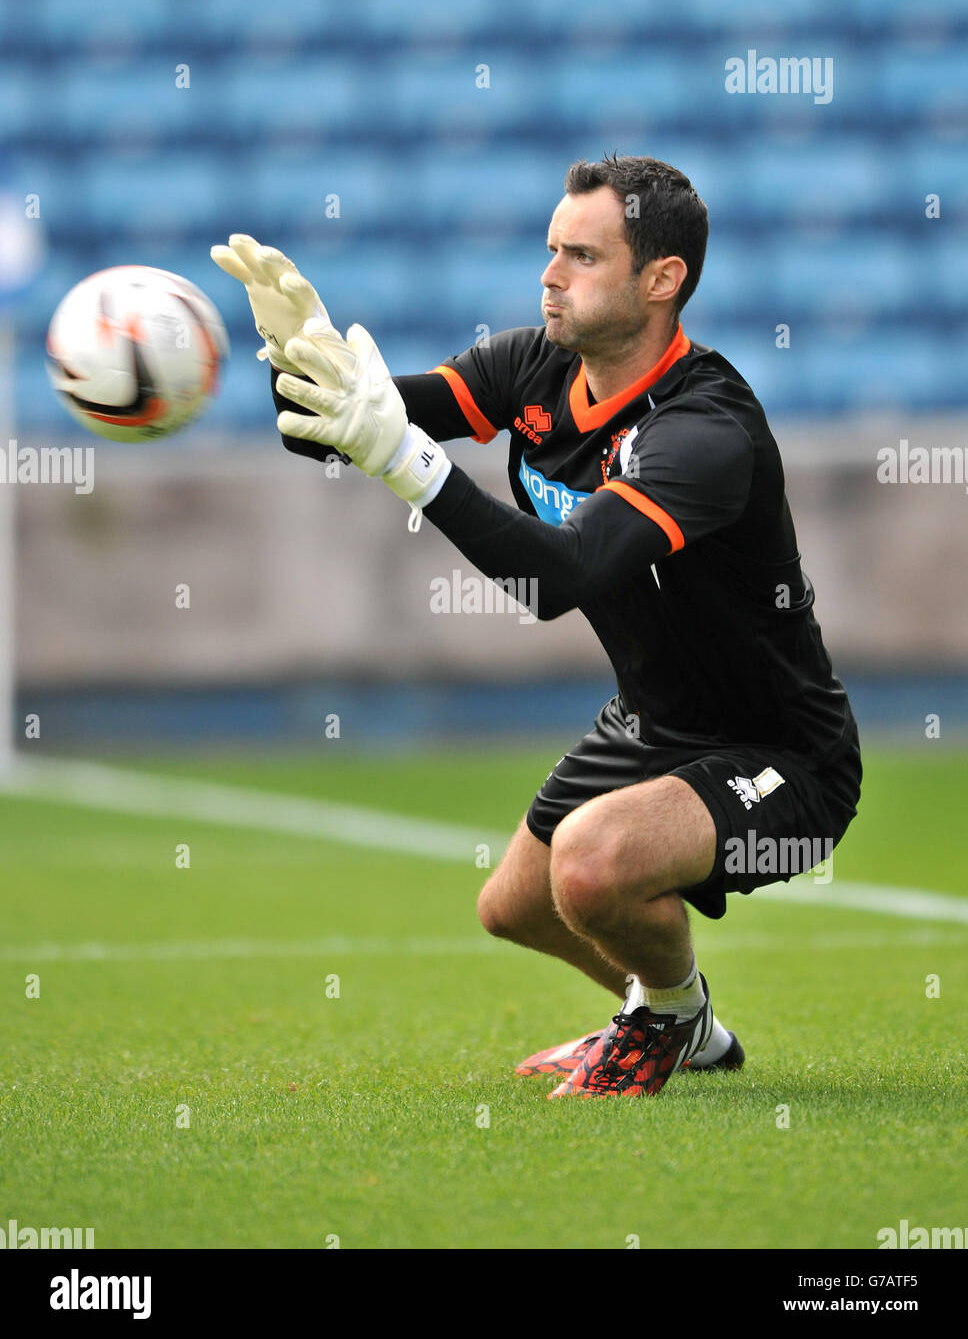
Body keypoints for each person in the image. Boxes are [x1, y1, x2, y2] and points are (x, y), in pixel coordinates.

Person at [211, 153, 862, 1099]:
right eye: (551, 249)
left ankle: (663, 1020)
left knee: (592, 868)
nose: (551, 274)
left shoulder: (706, 431)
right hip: (655, 720)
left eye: (582, 256)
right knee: (515, 905)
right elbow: (329, 422)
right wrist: (301, 361)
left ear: (661, 279)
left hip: (784, 754)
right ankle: (692, 1025)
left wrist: (403, 459)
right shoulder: (534, 365)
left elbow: (558, 578)